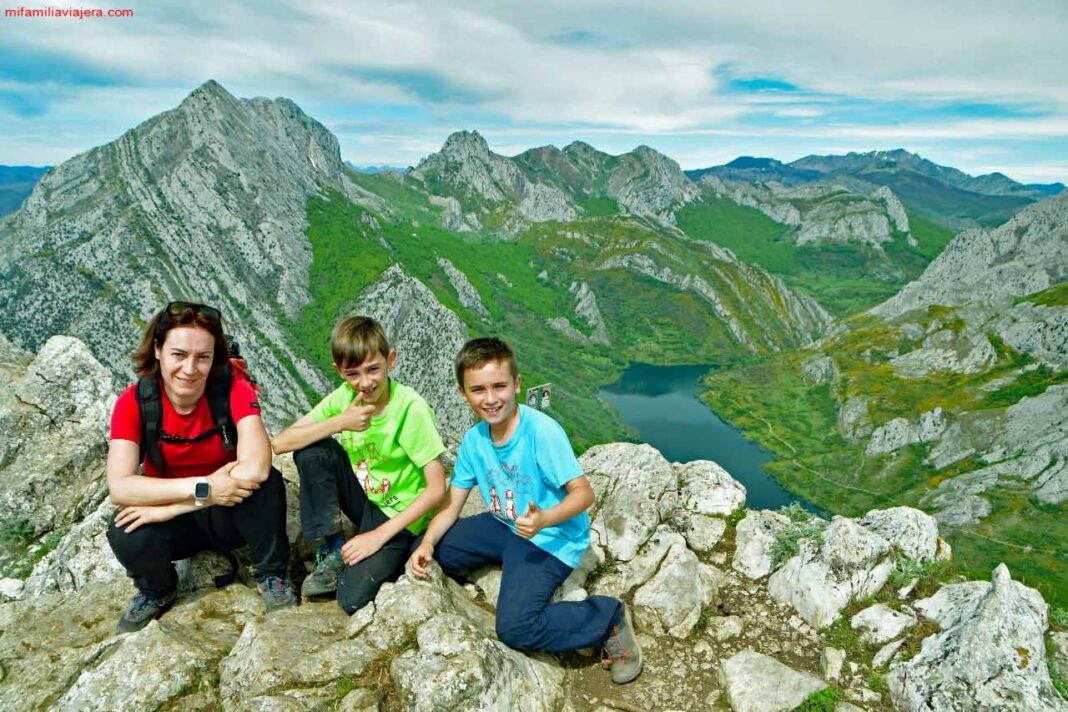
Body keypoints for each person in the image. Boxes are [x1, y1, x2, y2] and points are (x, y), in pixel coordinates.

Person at [408, 337, 643, 684]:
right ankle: (496, 572)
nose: (491, 399)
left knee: (516, 628)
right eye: (478, 390)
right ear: (463, 393)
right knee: (422, 550)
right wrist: (428, 543)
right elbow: (452, 503)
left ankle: (608, 618)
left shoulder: (541, 433)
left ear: (516, 384)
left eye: (499, 386)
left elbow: (584, 495)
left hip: (550, 537)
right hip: (504, 524)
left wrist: (544, 519)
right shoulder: (474, 441)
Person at [106, 302, 296, 634]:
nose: (190, 369)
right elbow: (120, 487)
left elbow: (256, 467)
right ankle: (157, 589)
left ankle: (271, 574)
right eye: (179, 355)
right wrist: (205, 488)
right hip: (184, 520)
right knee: (125, 528)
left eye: (203, 357)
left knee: (267, 486)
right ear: (158, 350)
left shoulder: (232, 387)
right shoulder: (134, 402)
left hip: (228, 508)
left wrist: (179, 505)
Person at [272, 315, 446, 614]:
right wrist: (339, 422)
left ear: (391, 360)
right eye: (353, 374)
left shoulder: (409, 408)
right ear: (339, 371)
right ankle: (333, 547)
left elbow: (437, 488)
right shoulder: (345, 398)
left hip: (402, 512)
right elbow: (281, 443)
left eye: (373, 369)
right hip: (367, 498)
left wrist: (378, 537)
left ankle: (398, 549)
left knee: (351, 597)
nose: (365, 382)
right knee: (312, 451)